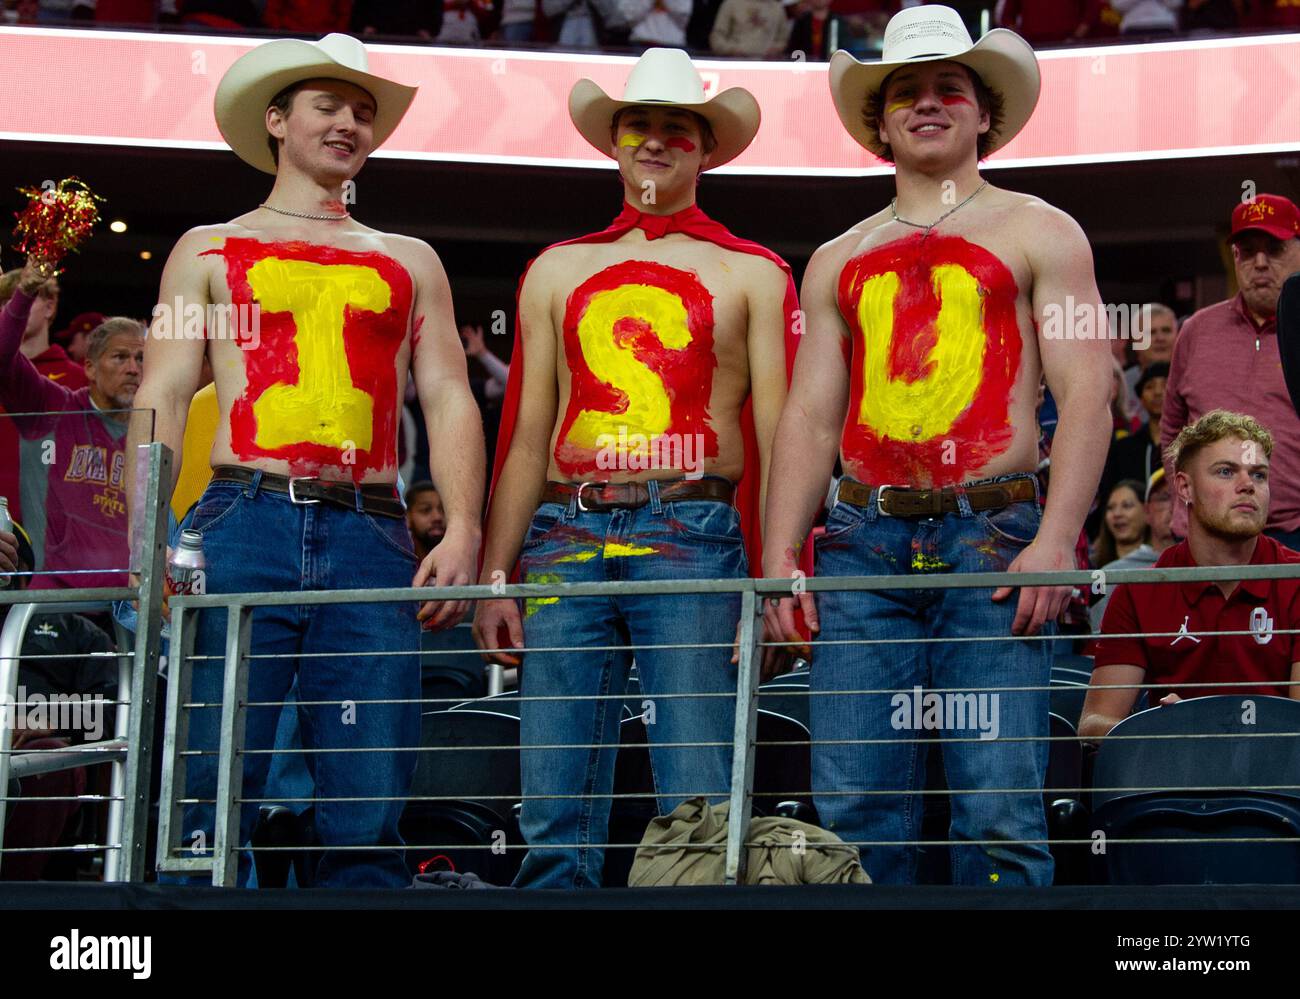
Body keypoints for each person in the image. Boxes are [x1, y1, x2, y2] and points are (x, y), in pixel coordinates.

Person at [763, 5, 1112, 886]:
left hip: (992, 539)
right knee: (855, 809)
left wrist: (1058, 537)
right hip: (860, 543)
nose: (928, 103)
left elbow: (1088, 392)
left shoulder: (1043, 229)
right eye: (906, 91)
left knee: (998, 809)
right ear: (880, 123)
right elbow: (808, 417)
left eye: (948, 87)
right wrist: (777, 554)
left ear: (983, 112)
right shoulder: (837, 256)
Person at [126, 33, 484, 888]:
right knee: (210, 782)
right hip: (239, 519)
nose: (350, 122)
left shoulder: (410, 259)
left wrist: (464, 523)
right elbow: (165, 389)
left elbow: (447, 395)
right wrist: (147, 531)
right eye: (329, 105)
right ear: (277, 121)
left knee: (368, 791)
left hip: (371, 526)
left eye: (364, 111)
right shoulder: (204, 248)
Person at [474, 47, 797, 888]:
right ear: (614, 145)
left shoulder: (757, 272)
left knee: (697, 798)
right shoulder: (555, 267)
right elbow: (526, 433)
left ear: (706, 150)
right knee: (551, 800)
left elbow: (779, 437)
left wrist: (771, 580)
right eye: (640, 126)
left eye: (676, 129)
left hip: (694, 525)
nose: (656, 142)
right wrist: (495, 574)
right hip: (563, 528)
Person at [1080, 411, 1300, 741]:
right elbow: (1094, 723)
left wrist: (1211, 727)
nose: (1247, 486)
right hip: (1176, 780)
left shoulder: (1295, 579)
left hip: (1274, 783)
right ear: (1185, 487)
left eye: (1258, 475)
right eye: (1226, 472)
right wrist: (1166, 727)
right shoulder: (1141, 591)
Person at [1161, 194, 1300, 550]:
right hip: (1206, 534)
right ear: (1234, 258)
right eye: (1247, 250)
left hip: (1293, 530)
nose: (1261, 262)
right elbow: (1172, 430)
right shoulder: (1196, 330)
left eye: (1275, 248)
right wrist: (1184, 501)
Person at [0, 272, 143, 590]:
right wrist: (23, 292)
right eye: (120, 357)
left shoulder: (152, 428)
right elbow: (3, 357)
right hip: (55, 596)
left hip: (125, 601)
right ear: (89, 368)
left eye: (140, 358)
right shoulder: (55, 407)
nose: (133, 368)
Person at [1089, 468, 1174, 631]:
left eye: (1127, 506)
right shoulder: (1103, 574)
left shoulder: (1207, 564)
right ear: (1147, 511)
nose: (1173, 507)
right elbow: (1097, 639)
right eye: (1164, 498)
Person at [0, 268, 86, 389]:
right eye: (5, 302)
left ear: (49, 308)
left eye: (26, 298)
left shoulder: (80, 378)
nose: (15, 307)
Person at [1092, 479, 1147, 569]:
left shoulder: (1163, 562)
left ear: (1147, 511)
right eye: (1110, 508)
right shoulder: (1090, 566)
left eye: (1127, 506)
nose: (1117, 514)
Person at [709, 0, 791, 57]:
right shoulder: (731, 4)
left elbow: (784, 39)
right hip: (734, 64)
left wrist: (775, 50)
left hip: (766, 66)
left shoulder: (777, 8)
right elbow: (717, 36)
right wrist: (732, 50)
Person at [405, 480, 447, 561]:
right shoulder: (398, 560)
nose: (437, 517)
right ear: (407, 517)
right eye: (425, 510)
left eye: (443, 509)